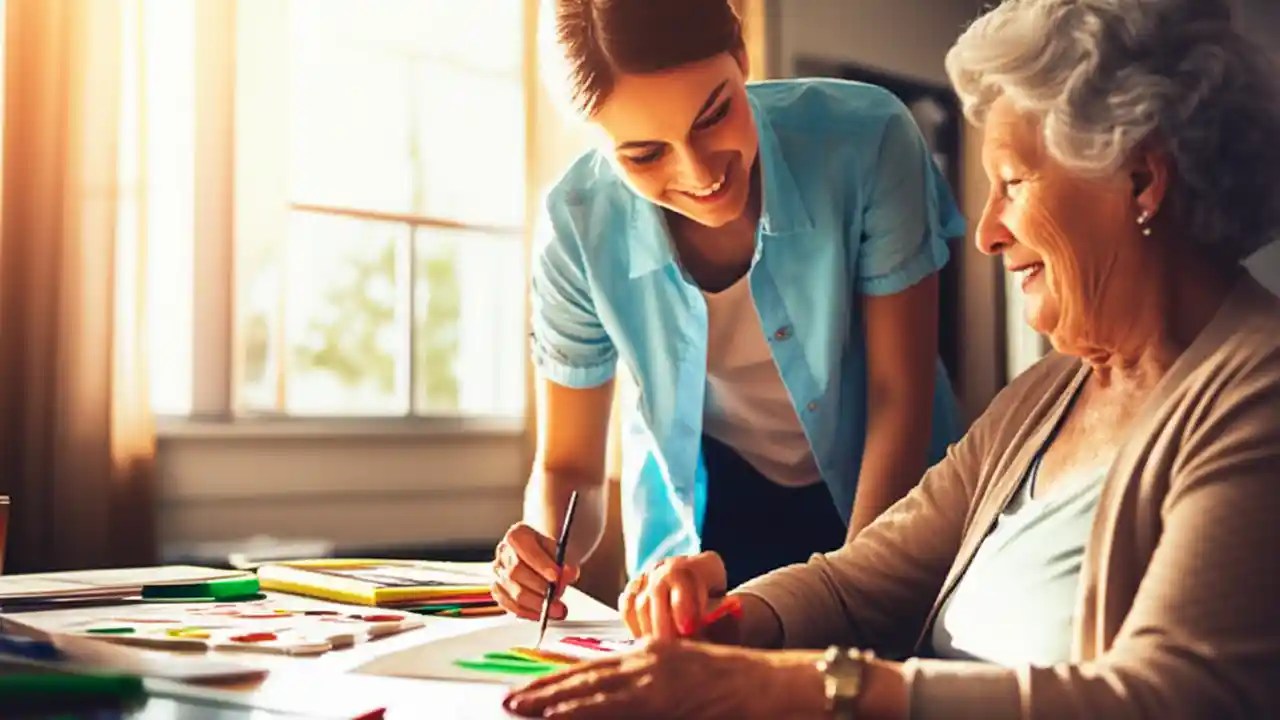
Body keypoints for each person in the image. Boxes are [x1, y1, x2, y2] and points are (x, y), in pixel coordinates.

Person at [501, 0, 1280, 717]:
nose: (985, 234)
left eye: (1012, 182)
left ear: (1141, 180)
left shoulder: (1256, 392)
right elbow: (859, 580)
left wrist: (798, 686)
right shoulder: (1047, 395)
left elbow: (1172, 696)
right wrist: (727, 624)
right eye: (644, 154)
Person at [490, 0, 965, 623]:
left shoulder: (868, 139)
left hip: (891, 486)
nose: (699, 173)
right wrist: (543, 553)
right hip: (710, 508)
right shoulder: (576, 229)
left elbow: (896, 396)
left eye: (714, 115)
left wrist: (855, 594)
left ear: (741, 54)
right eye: (644, 155)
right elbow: (570, 466)